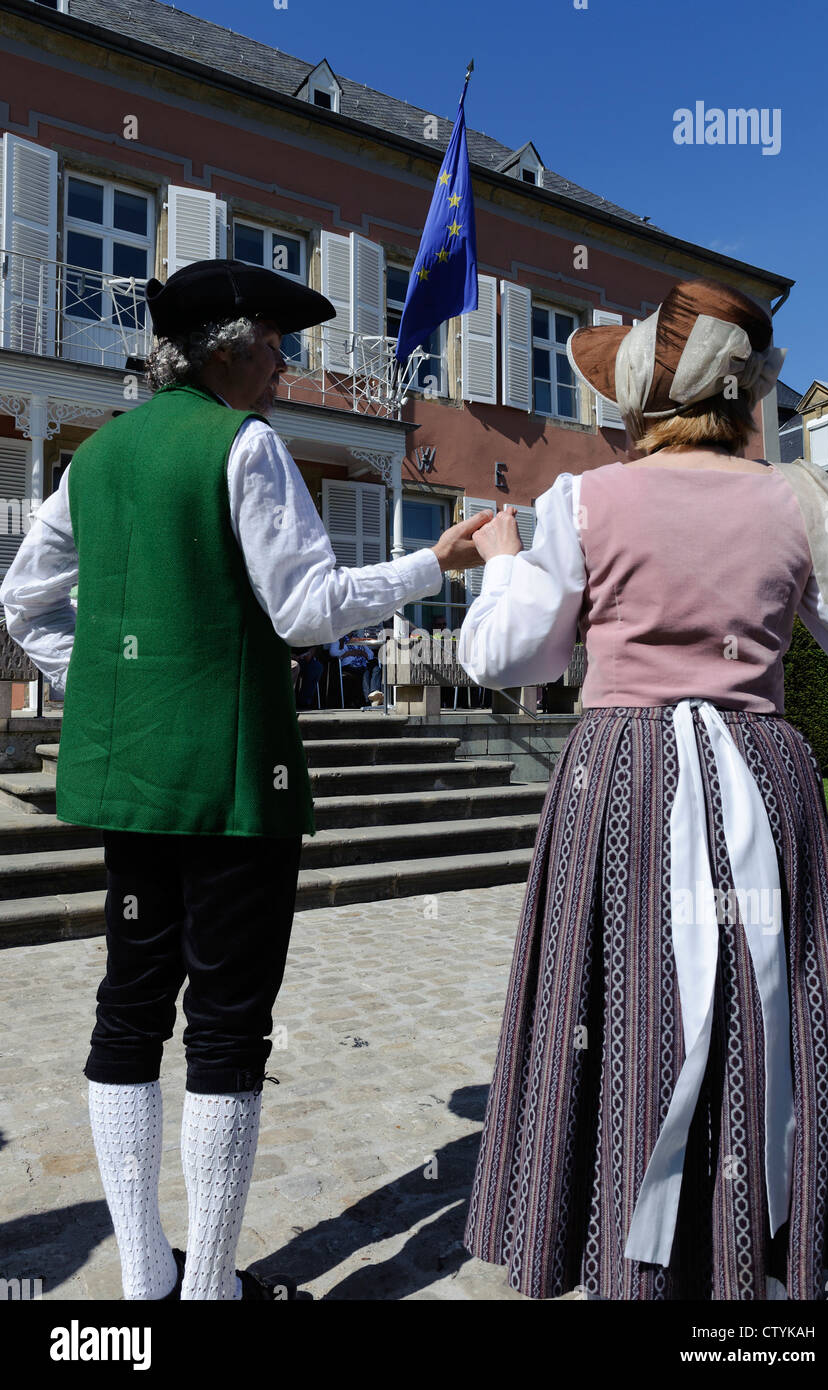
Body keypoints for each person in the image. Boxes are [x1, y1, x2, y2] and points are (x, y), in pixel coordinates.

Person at [0, 257, 492, 1301]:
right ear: (230, 348)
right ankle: (211, 1287)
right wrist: (428, 566)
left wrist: (108, 689)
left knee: (128, 1007)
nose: (286, 366)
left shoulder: (93, 459)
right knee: (226, 1021)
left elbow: (26, 603)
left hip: (130, 774)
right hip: (231, 776)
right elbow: (306, 610)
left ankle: (146, 1281)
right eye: (277, 344)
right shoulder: (247, 445)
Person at [457, 276, 828, 1301]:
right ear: (747, 395)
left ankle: (621, 1253)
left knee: (622, 1011)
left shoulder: (582, 499)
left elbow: (507, 657)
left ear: (642, 402)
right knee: (770, 1009)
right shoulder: (797, 502)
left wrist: (503, 559)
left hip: (621, 781)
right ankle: (762, 1258)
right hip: (762, 772)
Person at [326, 625, 385, 706]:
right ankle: (368, 700)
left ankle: (375, 694)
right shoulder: (339, 639)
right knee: (365, 672)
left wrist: (363, 653)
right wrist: (348, 653)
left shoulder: (357, 639)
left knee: (376, 669)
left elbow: (370, 654)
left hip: (362, 663)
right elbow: (333, 652)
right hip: (349, 665)